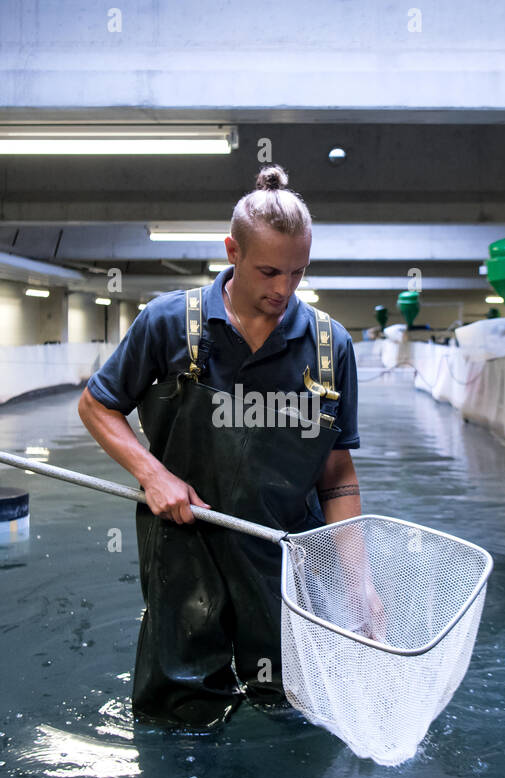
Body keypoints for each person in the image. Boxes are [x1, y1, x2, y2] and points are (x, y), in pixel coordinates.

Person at [78, 164, 362, 728]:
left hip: (285, 565)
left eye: (298, 272)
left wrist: (359, 586)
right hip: (186, 556)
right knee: (181, 716)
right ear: (232, 250)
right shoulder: (168, 325)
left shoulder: (330, 348)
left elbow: (336, 477)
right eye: (269, 271)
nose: (283, 289)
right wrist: (153, 475)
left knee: (289, 710)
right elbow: (97, 405)